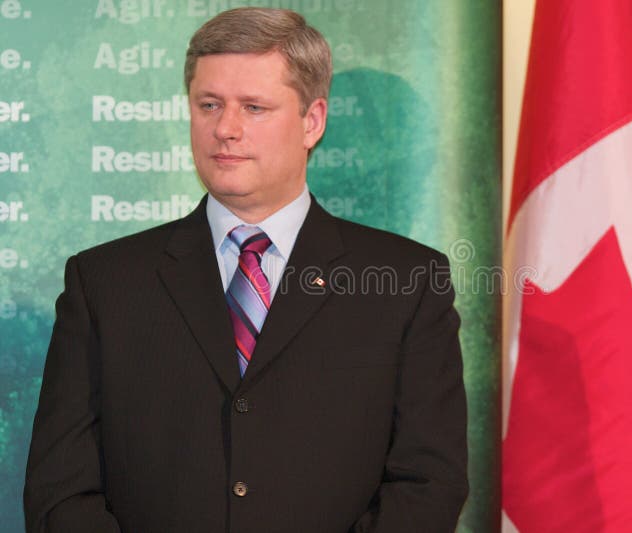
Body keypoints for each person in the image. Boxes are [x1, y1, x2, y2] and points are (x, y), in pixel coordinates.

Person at [23, 8, 468, 533]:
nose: (225, 129)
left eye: (254, 108)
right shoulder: (104, 282)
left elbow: (428, 483)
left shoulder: (408, 282)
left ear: (313, 121)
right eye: (208, 104)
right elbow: (60, 488)